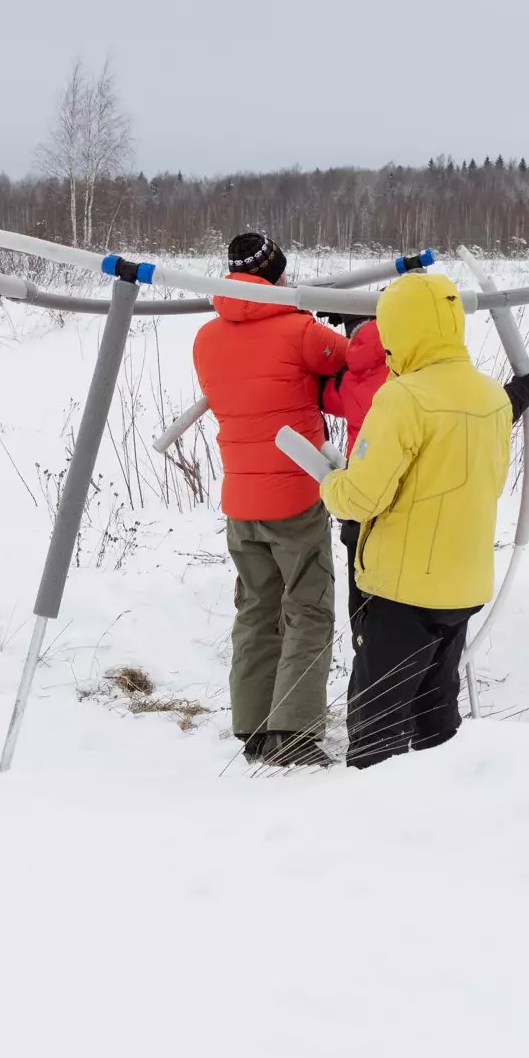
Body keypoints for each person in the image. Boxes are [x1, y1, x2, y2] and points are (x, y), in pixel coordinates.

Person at [318, 271, 529, 769]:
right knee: (437, 715)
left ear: (399, 328)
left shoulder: (403, 398)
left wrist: (331, 483)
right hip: (465, 585)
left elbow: (362, 496)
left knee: (379, 723)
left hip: (403, 589)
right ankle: (441, 809)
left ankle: (374, 817)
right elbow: (491, 483)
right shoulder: (491, 397)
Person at [193, 232, 348, 766]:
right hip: (295, 497)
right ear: (277, 273)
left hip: (240, 498)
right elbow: (350, 358)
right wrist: (336, 319)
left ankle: (253, 725)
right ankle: (297, 734)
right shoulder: (300, 330)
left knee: (256, 610)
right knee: (308, 609)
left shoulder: (206, 339)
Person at [319, 316, 389, 641]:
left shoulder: (347, 378)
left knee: (362, 610)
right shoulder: (404, 373)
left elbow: (323, 397)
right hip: (397, 504)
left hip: (356, 496)